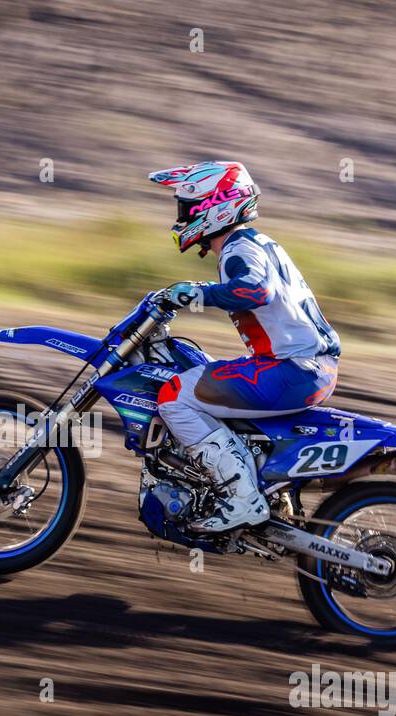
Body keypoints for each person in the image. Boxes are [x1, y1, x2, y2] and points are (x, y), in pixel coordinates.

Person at [148, 161, 341, 533]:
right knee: (206, 374)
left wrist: (195, 293)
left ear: (215, 206)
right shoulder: (257, 243)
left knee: (174, 395)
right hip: (310, 368)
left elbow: (255, 289)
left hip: (292, 370)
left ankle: (240, 498)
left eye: (187, 208)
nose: (182, 216)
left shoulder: (238, 248)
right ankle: (262, 485)